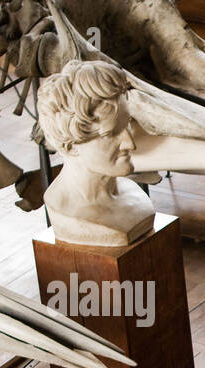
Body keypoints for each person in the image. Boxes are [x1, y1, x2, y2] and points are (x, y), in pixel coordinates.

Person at [36, 60, 156, 247]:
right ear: (72, 144)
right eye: (112, 133)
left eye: (127, 126)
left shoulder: (135, 198)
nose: (130, 143)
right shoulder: (66, 211)